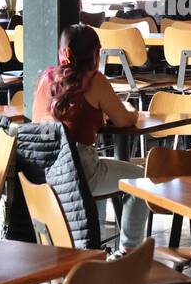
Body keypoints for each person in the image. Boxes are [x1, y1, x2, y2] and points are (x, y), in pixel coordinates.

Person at [32, 24, 150, 258]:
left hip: (49, 172)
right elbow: (124, 120)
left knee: (98, 180)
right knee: (142, 181)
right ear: (95, 54)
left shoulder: (47, 80)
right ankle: (128, 250)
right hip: (83, 169)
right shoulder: (94, 81)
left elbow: (38, 122)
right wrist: (133, 112)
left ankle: (91, 249)